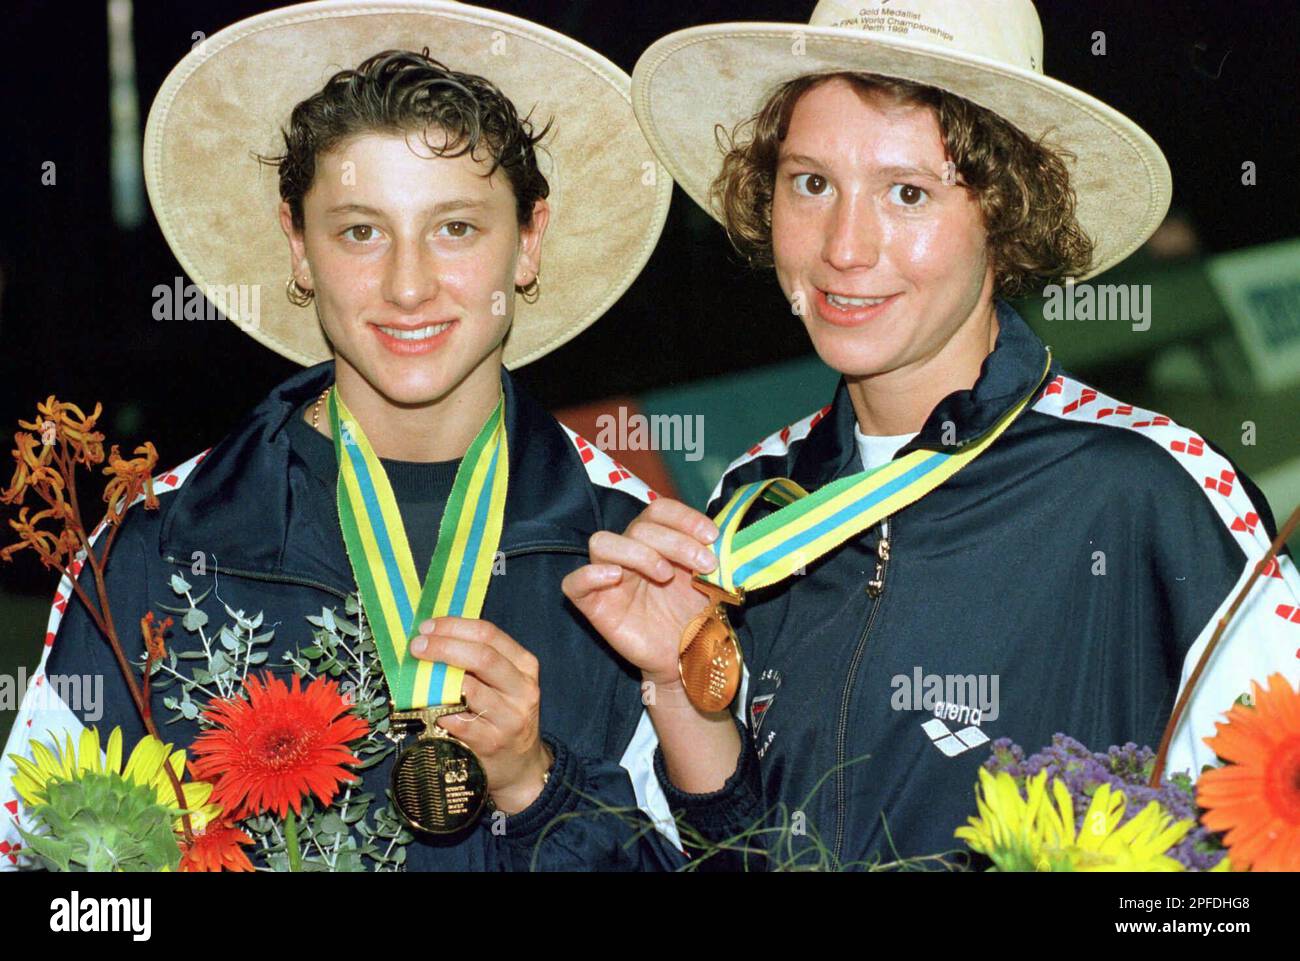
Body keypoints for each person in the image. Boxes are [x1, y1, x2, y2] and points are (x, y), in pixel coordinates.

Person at [0, 0, 758, 871]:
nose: (408, 286)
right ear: (297, 246)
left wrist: (538, 788)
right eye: (361, 231)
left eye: (456, 228)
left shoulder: (634, 560)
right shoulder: (152, 551)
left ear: (528, 241)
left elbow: (736, 857)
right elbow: (52, 879)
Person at [565, 0, 1300, 868]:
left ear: (1009, 211)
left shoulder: (1151, 490)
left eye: (907, 192)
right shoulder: (749, 502)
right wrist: (677, 690)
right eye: (811, 182)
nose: (845, 245)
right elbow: (740, 854)